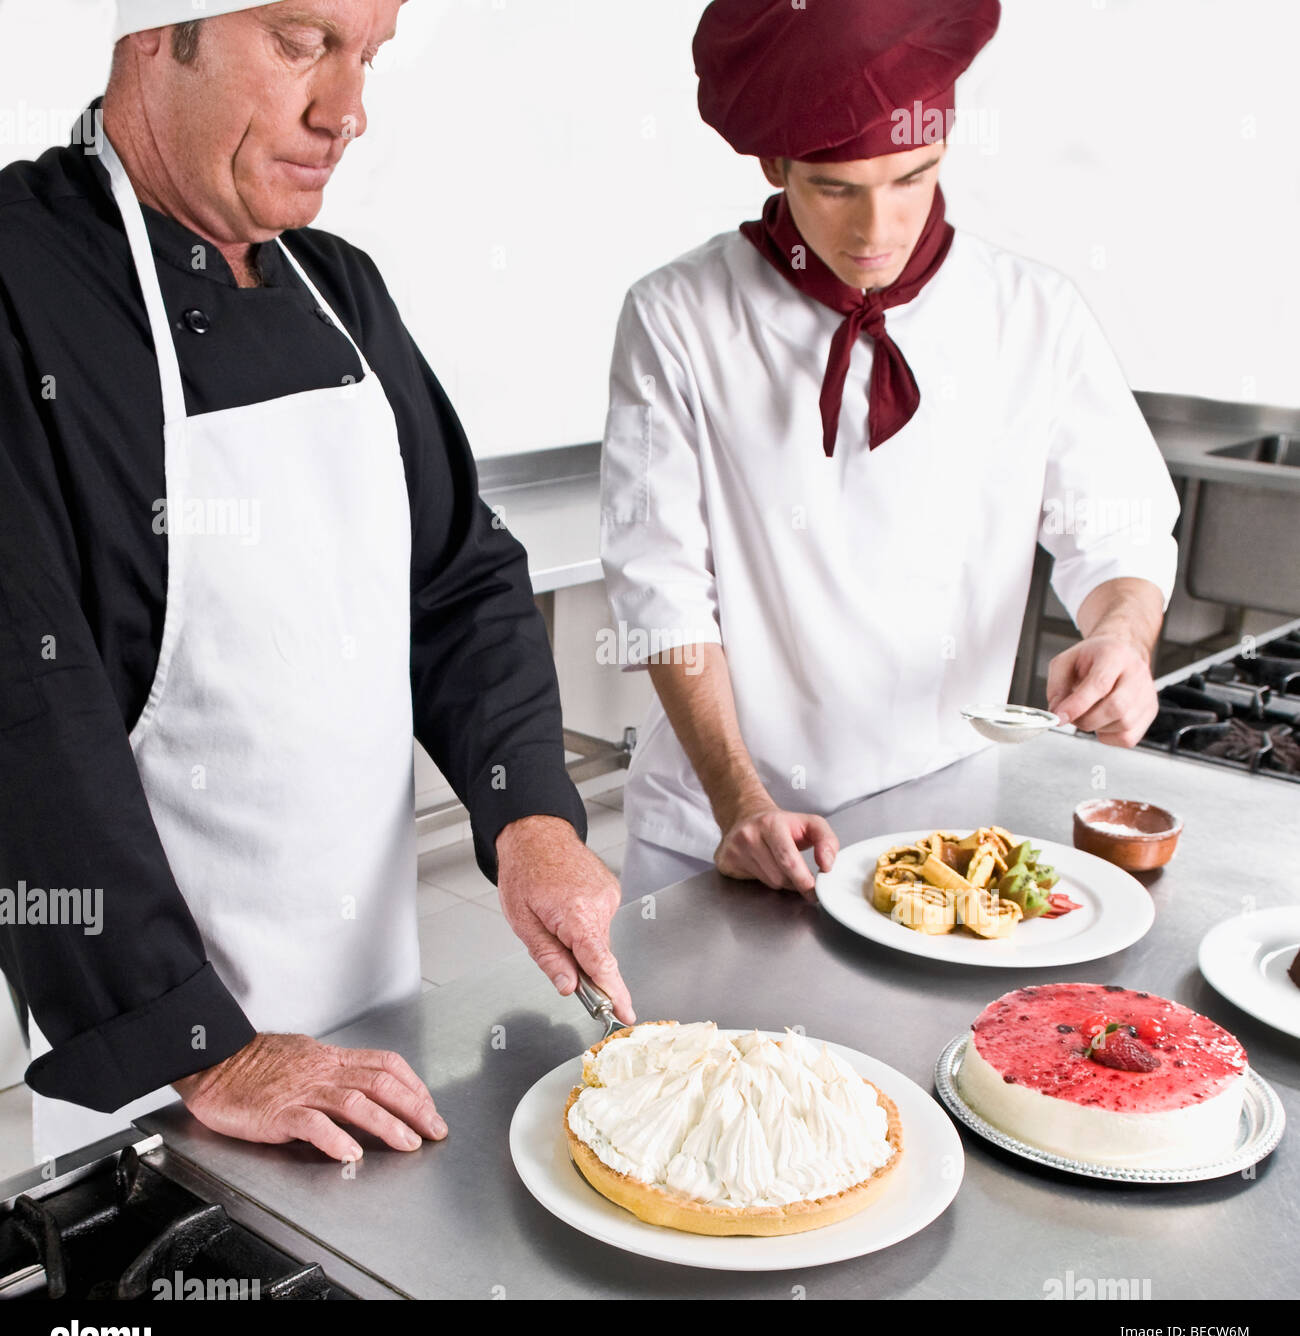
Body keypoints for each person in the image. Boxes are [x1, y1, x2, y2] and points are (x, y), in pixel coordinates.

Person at [0, 0, 631, 1163]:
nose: (347, 113)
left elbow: (456, 580)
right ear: (157, 33)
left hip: (370, 1038)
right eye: (301, 44)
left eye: (367, 57)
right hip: (169, 1085)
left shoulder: (338, 290)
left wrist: (528, 812)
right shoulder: (16, 283)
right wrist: (206, 1049)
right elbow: (27, 709)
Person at [600, 0, 1179, 902]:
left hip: (940, 831)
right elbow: (662, 588)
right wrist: (739, 800)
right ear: (774, 163)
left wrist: (1119, 637)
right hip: (717, 834)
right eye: (837, 188)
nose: (878, 229)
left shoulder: (1032, 315)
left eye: (913, 177)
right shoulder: (678, 316)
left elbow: (1119, 537)